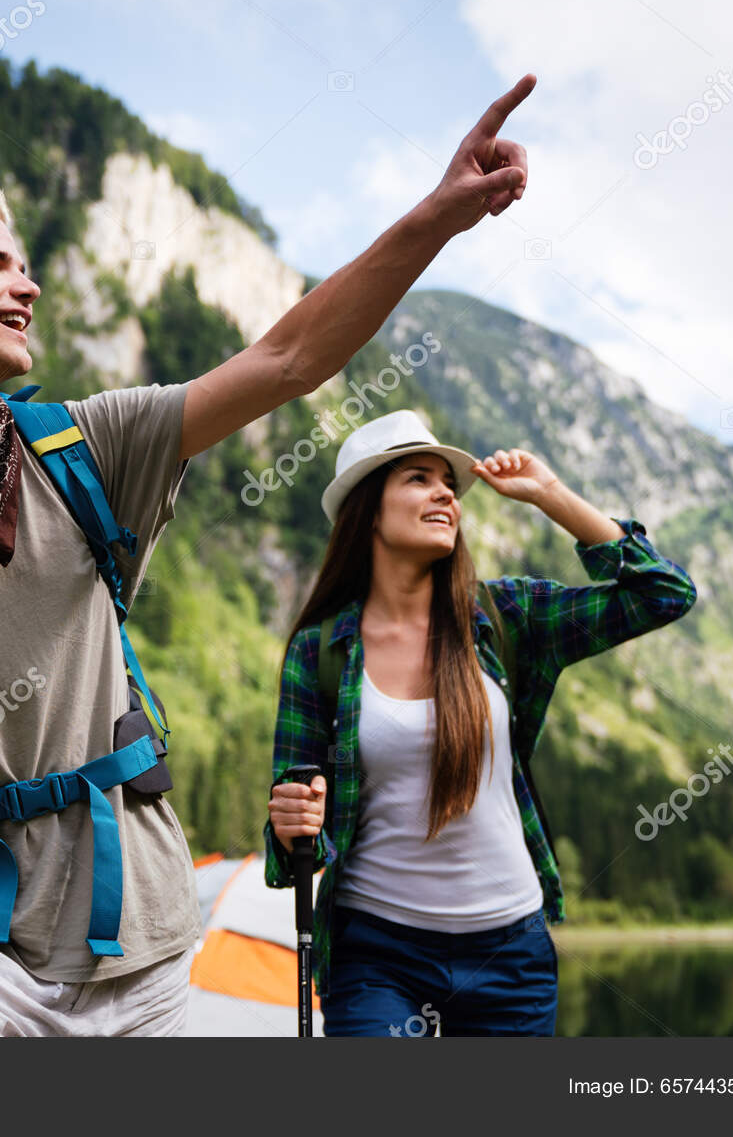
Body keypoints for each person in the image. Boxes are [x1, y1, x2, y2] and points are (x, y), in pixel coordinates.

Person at [0, 77, 542, 1036]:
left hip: (147, 940)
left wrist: (438, 218)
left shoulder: (93, 448)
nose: (26, 285)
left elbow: (288, 358)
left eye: (25, 265)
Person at [265, 410, 697, 1036]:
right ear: (369, 511)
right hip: (377, 955)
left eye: (449, 483)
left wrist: (552, 495)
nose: (446, 492)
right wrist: (291, 825)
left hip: (510, 954)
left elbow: (664, 594)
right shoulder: (320, 651)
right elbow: (297, 835)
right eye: (419, 478)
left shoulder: (507, 615)